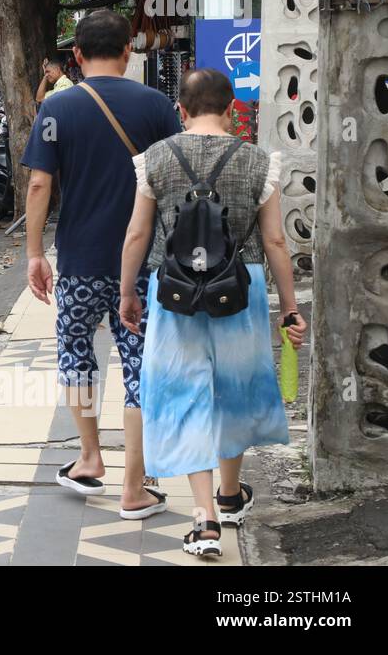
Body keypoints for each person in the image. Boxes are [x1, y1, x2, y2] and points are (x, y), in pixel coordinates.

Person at [118, 68, 305, 558]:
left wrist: (127, 294)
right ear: (231, 110)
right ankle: (230, 493)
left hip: (174, 291)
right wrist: (290, 308)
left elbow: (137, 235)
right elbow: (276, 241)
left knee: (183, 394)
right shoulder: (260, 161)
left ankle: (203, 519)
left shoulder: (154, 159)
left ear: (180, 109)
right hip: (239, 292)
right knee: (233, 391)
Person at [21, 9, 181, 519]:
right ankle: (135, 488)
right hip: (145, 266)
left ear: (77, 56)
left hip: (81, 262)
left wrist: (33, 254)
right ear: (129, 51)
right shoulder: (157, 106)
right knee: (139, 368)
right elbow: (174, 183)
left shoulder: (58, 110)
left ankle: (89, 459)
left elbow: (41, 184)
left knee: (76, 355)